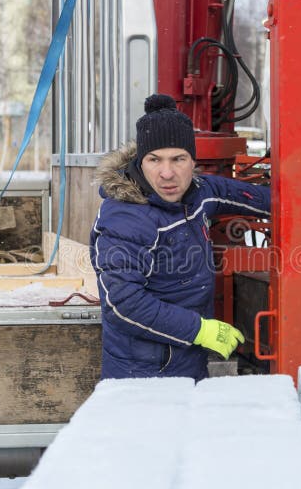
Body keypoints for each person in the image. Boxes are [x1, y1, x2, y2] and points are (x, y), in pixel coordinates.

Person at [90, 94, 271, 380]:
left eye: (178, 159)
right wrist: (201, 330)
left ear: (192, 160)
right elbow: (123, 304)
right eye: (155, 160)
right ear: (140, 160)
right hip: (142, 372)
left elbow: (241, 195)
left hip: (186, 361)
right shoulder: (124, 219)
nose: (167, 173)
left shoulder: (198, 192)